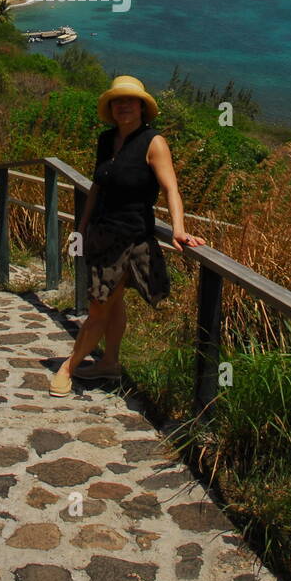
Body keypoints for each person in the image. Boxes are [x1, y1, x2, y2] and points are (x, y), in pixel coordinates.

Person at [49, 75, 205, 395]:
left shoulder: (153, 142)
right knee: (114, 302)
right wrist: (81, 227)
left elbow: (171, 188)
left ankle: (69, 367)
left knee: (99, 307)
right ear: (111, 108)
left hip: (131, 237)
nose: (123, 107)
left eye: (130, 101)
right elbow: (97, 186)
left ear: (142, 108)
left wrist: (178, 229)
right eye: (117, 102)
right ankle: (110, 361)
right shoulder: (107, 140)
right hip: (101, 235)